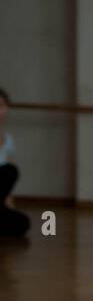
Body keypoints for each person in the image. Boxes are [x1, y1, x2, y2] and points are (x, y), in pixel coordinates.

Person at [0, 88, 31, 238]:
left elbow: (6, 185)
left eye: (1, 106)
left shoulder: (8, 140)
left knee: (22, 222)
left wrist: (9, 208)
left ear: (6, 109)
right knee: (10, 171)